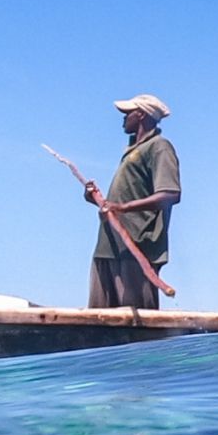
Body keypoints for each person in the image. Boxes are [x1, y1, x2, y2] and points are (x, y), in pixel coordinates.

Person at [81, 94, 180, 309]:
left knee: (136, 315)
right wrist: (96, 200)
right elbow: (127, 195)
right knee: (100, 316)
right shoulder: (132, 151)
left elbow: (170, 194)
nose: (124, 118)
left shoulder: (159, 147)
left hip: (136, 245)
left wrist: (122, 207)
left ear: (141, 114)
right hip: (108, 246)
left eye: (128, 113)